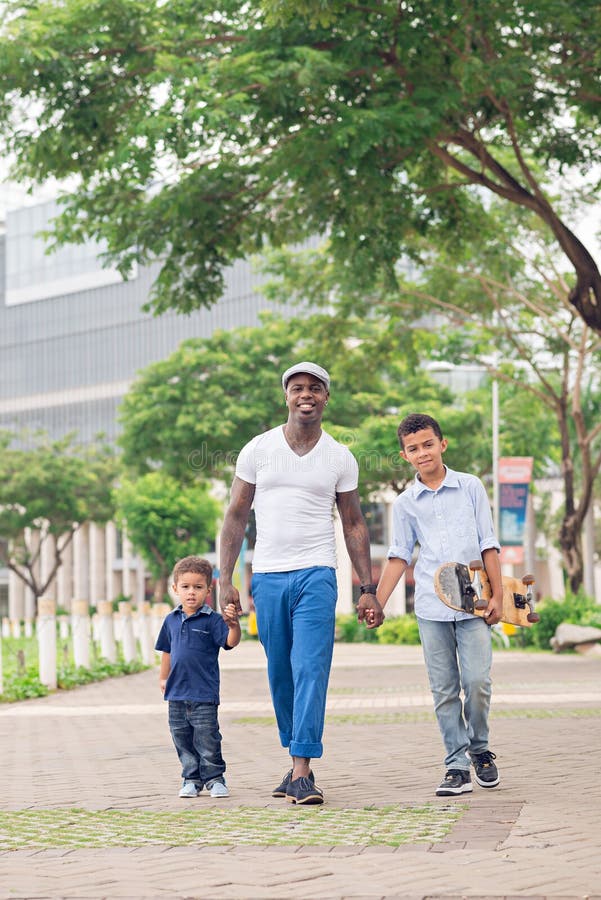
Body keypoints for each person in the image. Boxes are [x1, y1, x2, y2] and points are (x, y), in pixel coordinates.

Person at [218, 362, 384, 805]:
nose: (305, 394)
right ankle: (294, 754)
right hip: (268, 577)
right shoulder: (258, 449)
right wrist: (225, 579)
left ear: (327, 397)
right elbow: (235, 515)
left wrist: (368, 588)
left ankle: (302, 770)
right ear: (286, 396)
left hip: (317, 573)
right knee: (280, 673)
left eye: (315, 388)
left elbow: (353, 523)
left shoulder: (339, 457)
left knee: (311, 667)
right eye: (297, 388)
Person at [376, 413, 503, 797]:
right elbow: (399, 555)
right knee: (444, 689)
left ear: (442, 444)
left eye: (428, 444)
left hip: (474, 604)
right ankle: (456, 765)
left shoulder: (470, 487)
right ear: (405, 455)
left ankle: (480, 749)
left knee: (478, 682)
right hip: (431, 607)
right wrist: (377, 603)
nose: (422, 452)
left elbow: (488, 543)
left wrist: (497, 595)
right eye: (413, 448)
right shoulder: (405, 504)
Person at [156, 555, 241, 798]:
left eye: (197, 587)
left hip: (204, 693)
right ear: (175, 589)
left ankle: (215, 779)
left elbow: (230, 642)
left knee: (207, 737)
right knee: (181, 737)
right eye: (185, 587)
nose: (191, 592)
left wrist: (233, 625)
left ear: (208, 590)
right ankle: (191, 778)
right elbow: (166, 651)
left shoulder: (213, 620)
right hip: (176, 693)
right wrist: (163, 678)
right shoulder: (171, 620)